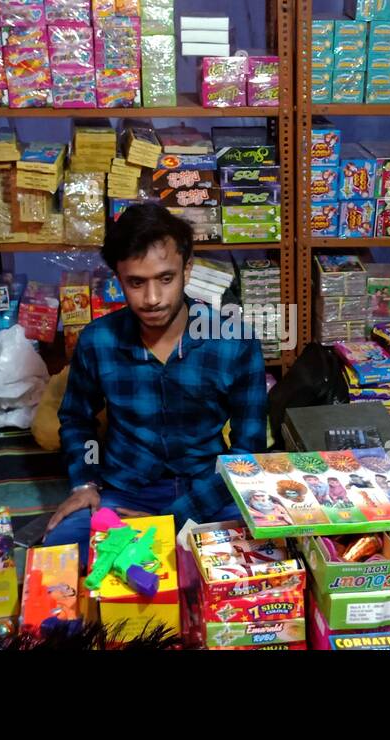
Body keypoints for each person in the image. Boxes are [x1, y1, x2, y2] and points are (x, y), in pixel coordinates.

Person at [44, 204, 267, 561]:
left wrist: (175, 519)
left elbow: (249, 450)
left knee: (260, 550)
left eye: (165, 278)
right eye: (136, 282)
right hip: (126, 489)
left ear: (187, 269)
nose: (152, 299)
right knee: (61, 549)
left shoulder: (235, 340)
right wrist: (84, 481)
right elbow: (76, 419)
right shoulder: (98, 340)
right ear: (119, 278)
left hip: (208, 490)